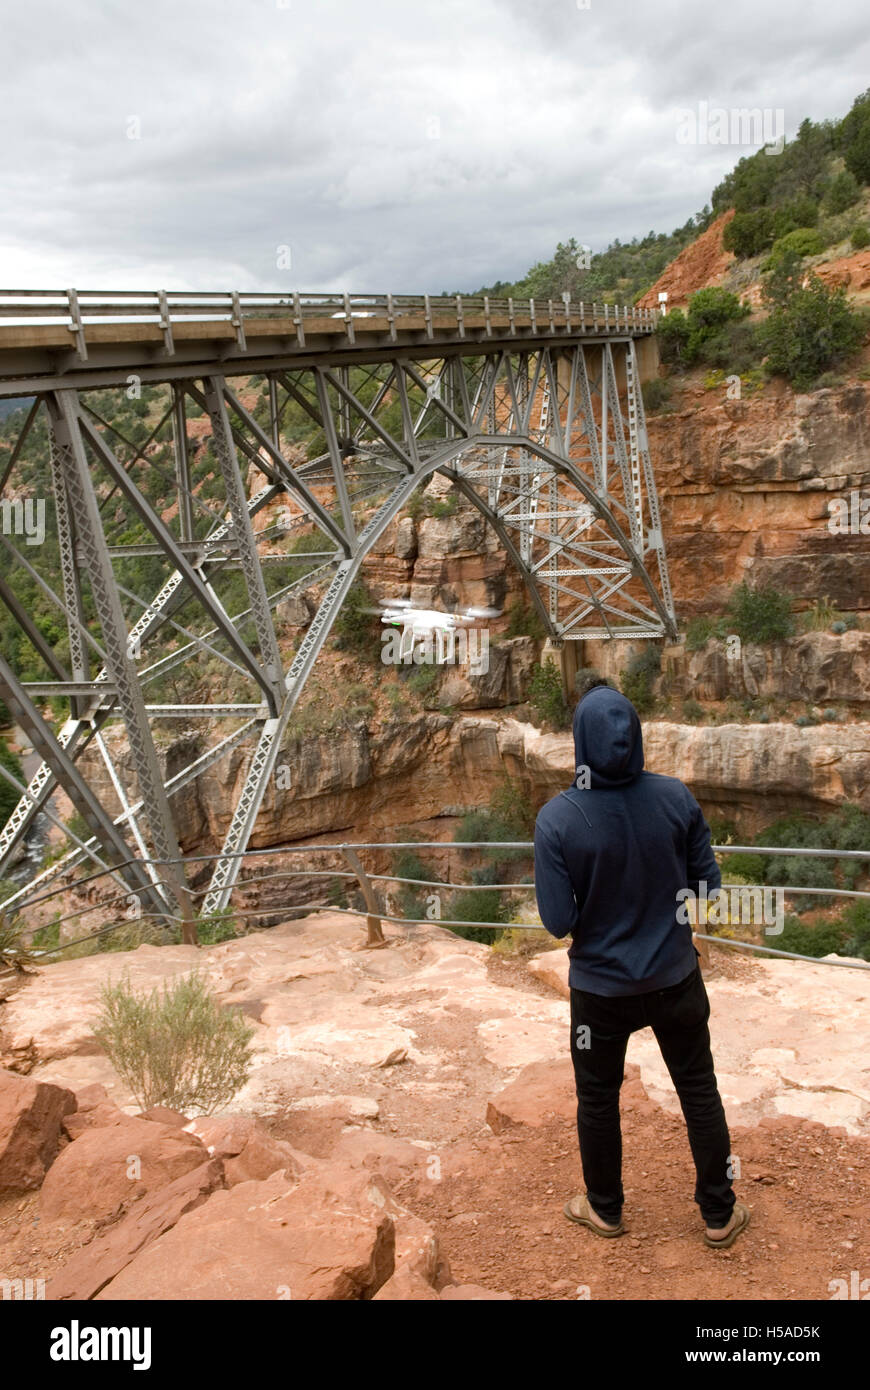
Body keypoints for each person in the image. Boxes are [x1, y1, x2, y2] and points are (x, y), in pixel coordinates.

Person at [533, 680, 749, 1248]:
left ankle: (605, 1211)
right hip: (675, 976)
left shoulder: (557, 819)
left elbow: (557, 921)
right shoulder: (675, 797)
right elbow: (706, 885)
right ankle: (719, 1214)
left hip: (599, 993)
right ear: (637, 735)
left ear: (578, 741)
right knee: (698, 1088)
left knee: (598, 1097)